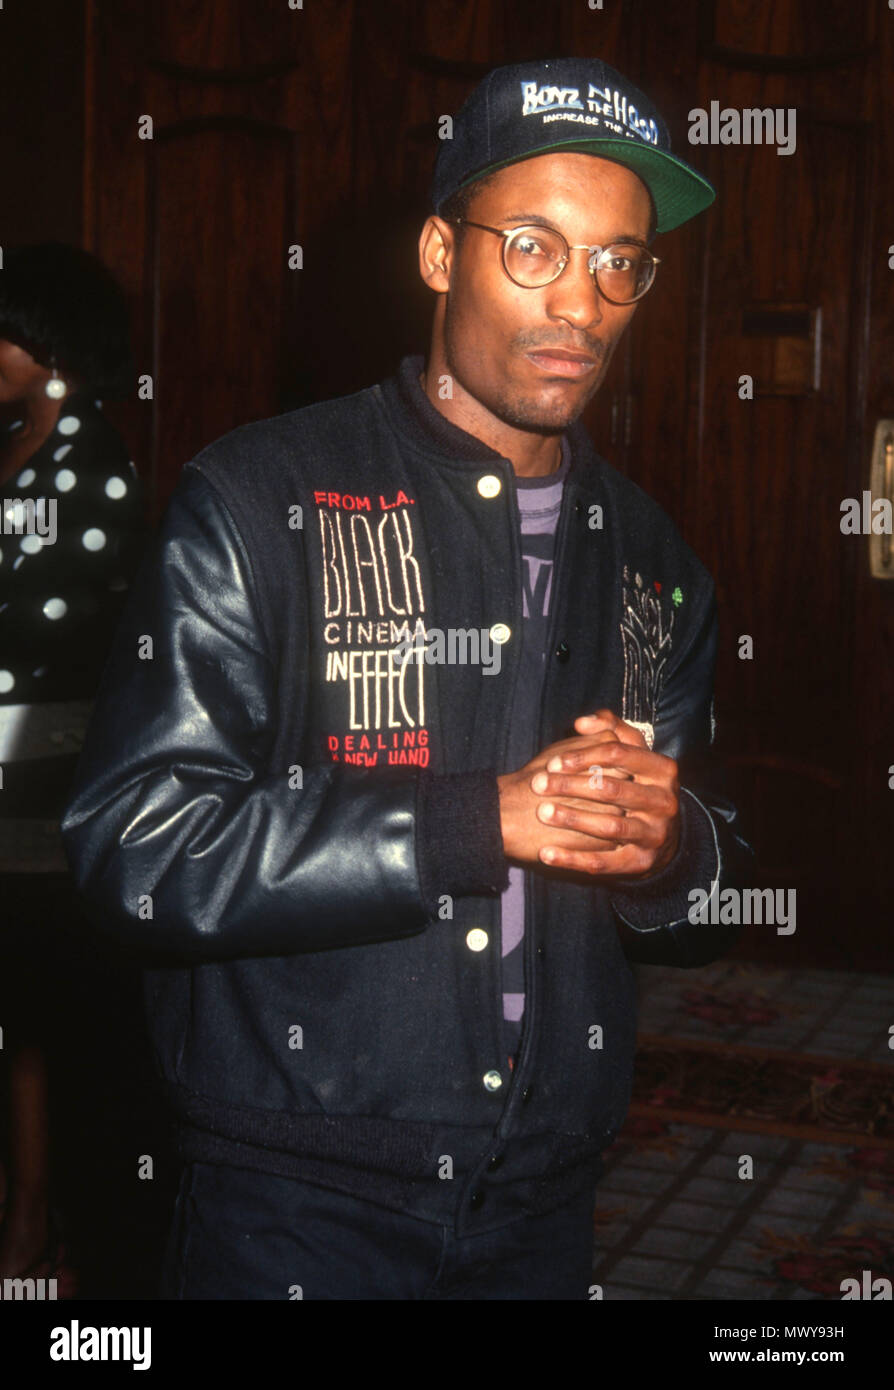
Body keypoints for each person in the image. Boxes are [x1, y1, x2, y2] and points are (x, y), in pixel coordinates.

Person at [60, 57, 752, 1300]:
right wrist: (471, 818)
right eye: (533, 248)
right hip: (295, 1194)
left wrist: (670, 851)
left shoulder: (657, 561)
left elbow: (698, 896)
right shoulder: (258, 498)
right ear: (441, 254)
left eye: (619, 264)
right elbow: (135, 850)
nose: (582, 307)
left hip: (546, 1192)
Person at [0, 242, 146, 1288]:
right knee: (28, 1022)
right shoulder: (25, 444)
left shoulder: (89, 465)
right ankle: (31, 1215)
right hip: (17, 793)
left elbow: (45, 624)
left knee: (61, 1019)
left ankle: (60, 1233)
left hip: (53, 800)